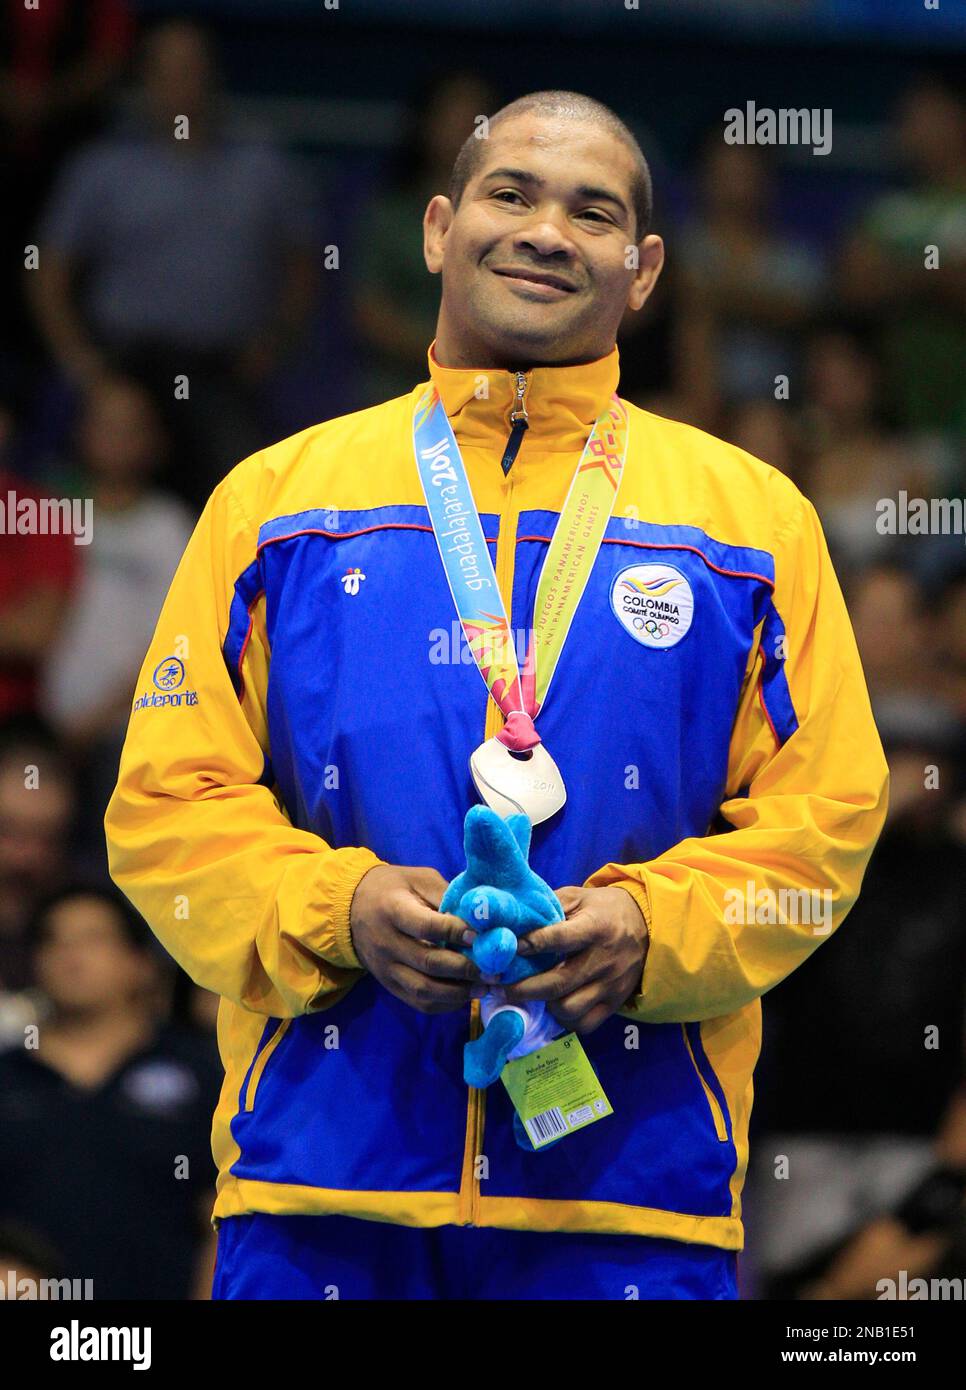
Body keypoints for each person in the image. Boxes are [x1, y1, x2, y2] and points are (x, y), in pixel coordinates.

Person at [104, 90, 888, 1301]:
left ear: (644, 268)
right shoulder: (275, 507)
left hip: (632, 1193)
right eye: (510, 192)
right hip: (320, 1188)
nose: (546, 231)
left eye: (594, 211)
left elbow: (824, 830)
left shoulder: (749, 525)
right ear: (436, 227)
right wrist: (338, 903)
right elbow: (164, 809)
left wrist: (649, 932)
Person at [0, 883, 222, 1299]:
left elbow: (220, 1212)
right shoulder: (8, 1076)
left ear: (141, 963)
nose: (71, 957)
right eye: (54, 941)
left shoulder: (199, 1074)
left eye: (92, 939)